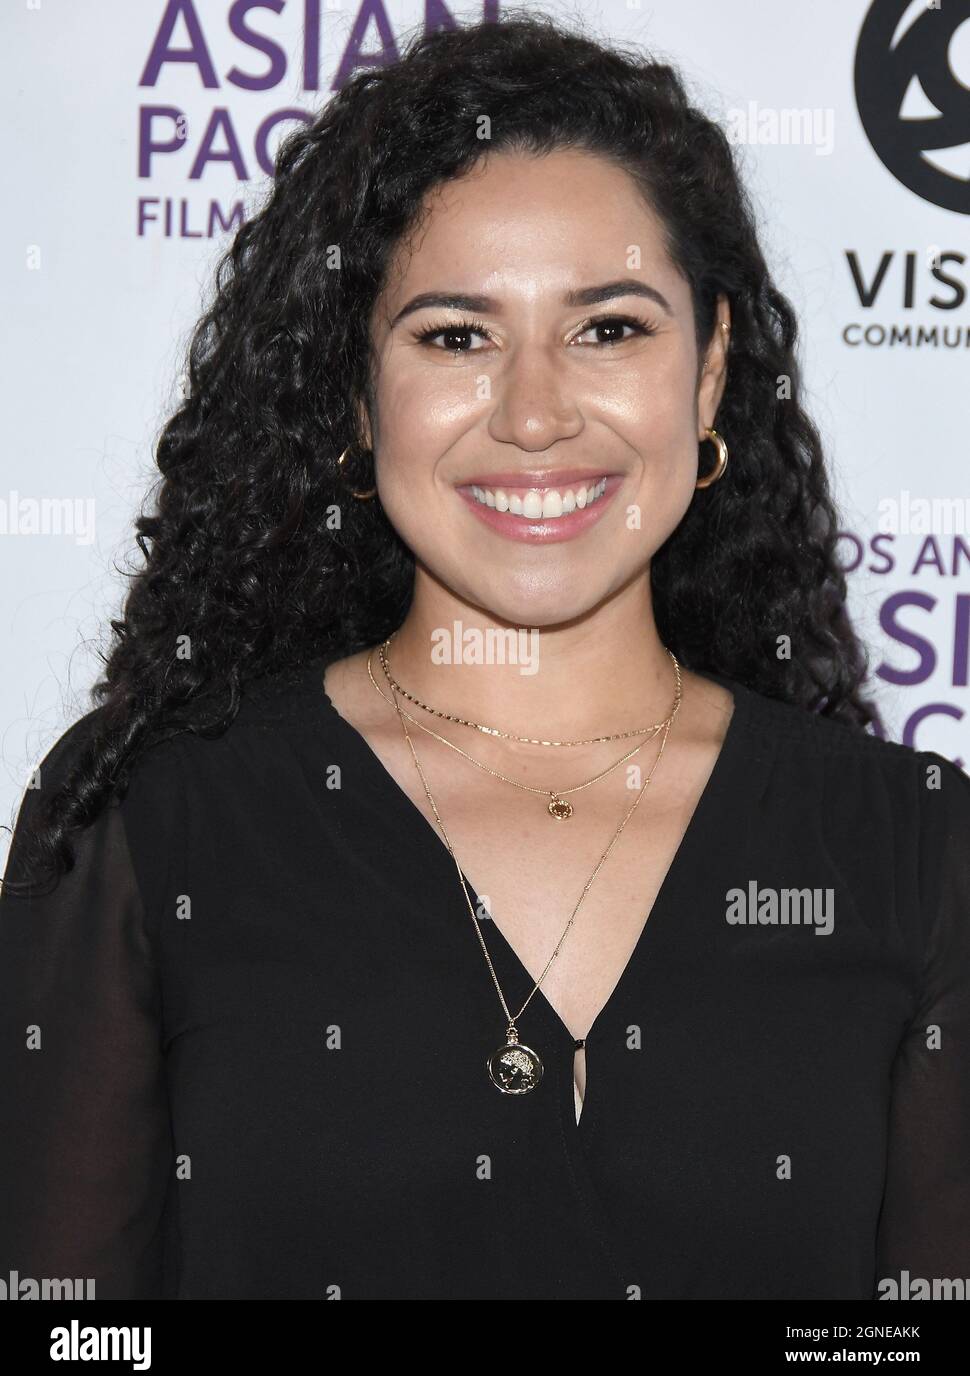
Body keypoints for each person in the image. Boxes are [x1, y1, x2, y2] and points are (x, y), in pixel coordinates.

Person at [1, 11, 968, 1302]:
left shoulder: (912, 848)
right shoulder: (143, 823)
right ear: (356, 392)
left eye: (608, 328)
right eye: (454, 336)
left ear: (706, 370)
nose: (531, 413)